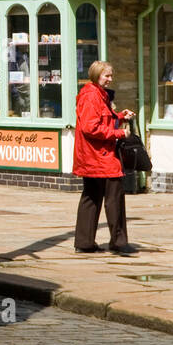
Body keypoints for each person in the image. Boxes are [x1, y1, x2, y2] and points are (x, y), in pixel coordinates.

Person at [74, 60, 136, 255]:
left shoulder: (96, 94)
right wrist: (119, 133)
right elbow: (90, 127)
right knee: (114, 198)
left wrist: (119, 116)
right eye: (106, 75)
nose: (110, 79)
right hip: (100, 156)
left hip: (93, 156)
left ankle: (84, 242)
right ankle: (118, 242)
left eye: (111, 75)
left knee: (91, 197)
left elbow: (99, 119)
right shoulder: (92, 95)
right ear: (96, 75)